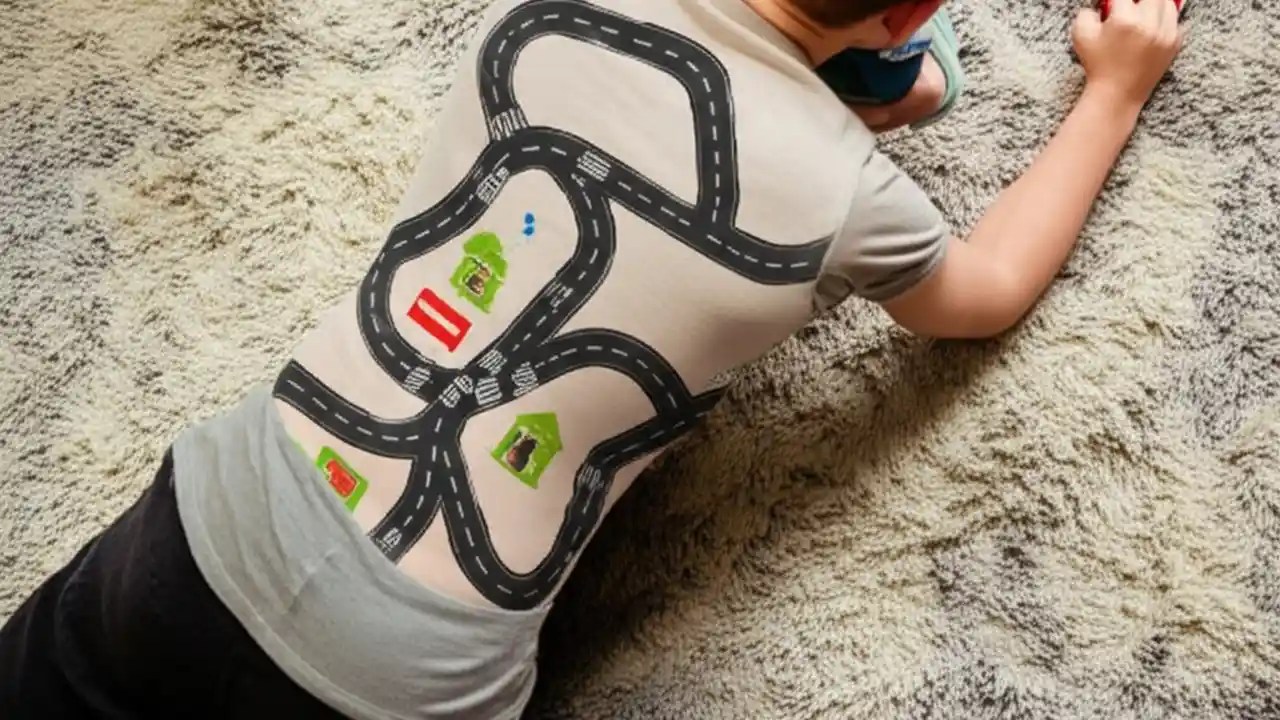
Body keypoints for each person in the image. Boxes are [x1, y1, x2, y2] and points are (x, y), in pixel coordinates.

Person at [0, 0, 1185, 718]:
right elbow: (985, 292)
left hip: (217, 511)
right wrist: (1113, 92)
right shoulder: (849, 195)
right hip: (412, 668)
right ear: (901, 19)